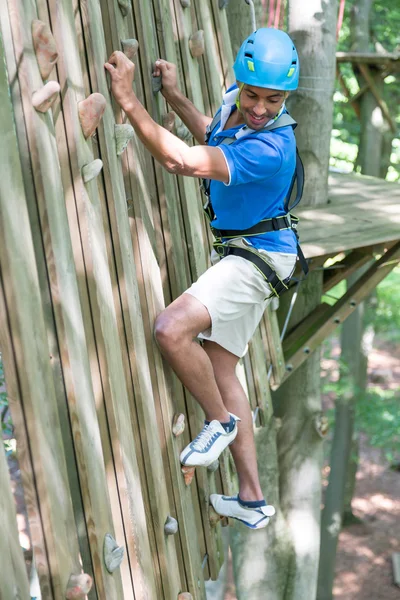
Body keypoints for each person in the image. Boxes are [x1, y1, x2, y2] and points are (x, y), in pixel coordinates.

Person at [105, 27, 300, 530]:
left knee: (171, 329)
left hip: (256, 257)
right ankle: (252, 500)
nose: (258, 108)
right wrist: (173, 96)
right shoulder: (238, 105)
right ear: (240, 83)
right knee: (221, 369)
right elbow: (214, 137)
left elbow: (184, 161)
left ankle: (219, 423)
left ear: (288, 97)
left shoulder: (274, 148)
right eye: (252, 94)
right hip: (253, 253)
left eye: (272, 100)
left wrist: (129, 100)